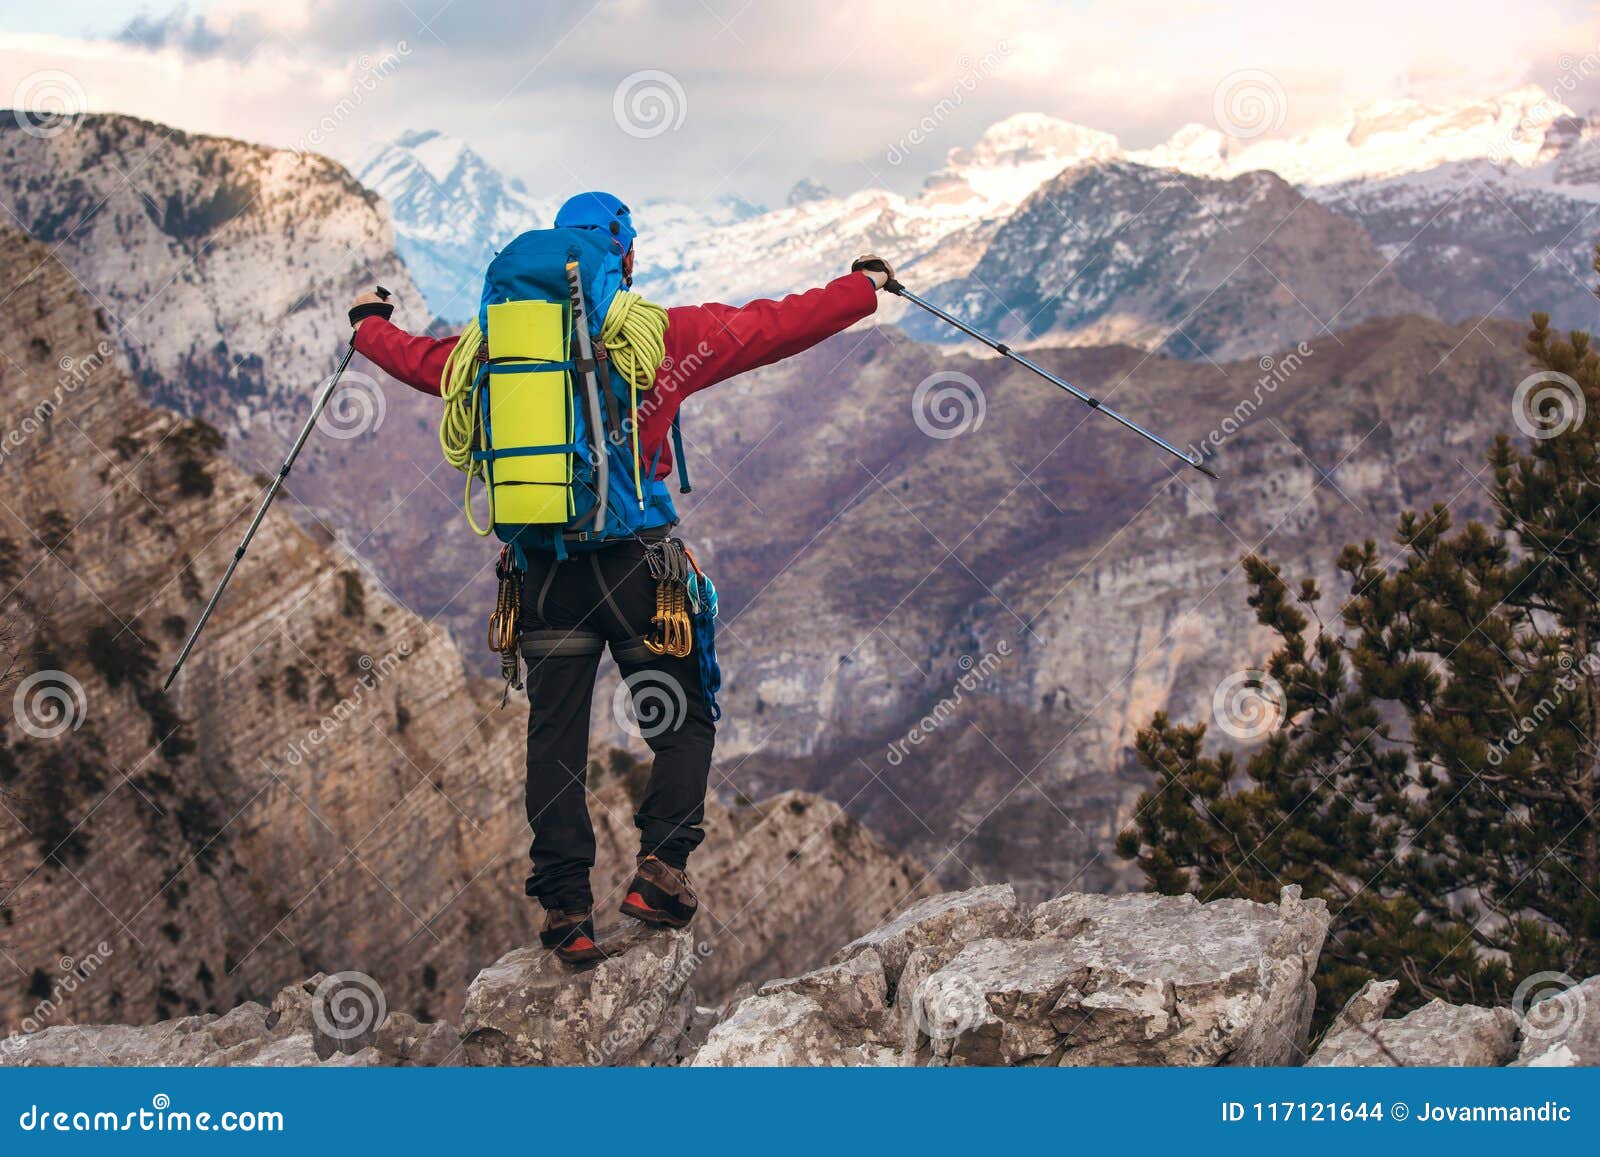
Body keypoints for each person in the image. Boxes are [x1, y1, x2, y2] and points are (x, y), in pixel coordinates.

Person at [349, 190, 892, 963]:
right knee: (683, 717)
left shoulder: (495, 348)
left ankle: (566, 911)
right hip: (638, 572)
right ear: (622, 258)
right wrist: (861, 289)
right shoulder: (660, 337)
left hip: (541, 577)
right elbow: (772, 325)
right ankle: (660, 870)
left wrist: (367, 325)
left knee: (556, 742)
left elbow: (418, 361)